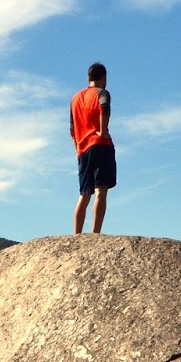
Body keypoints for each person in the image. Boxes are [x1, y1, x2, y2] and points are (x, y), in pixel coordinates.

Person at [70, 61, 115, 234]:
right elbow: (105, 107)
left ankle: (77, 235)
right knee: (100, 191)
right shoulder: (102, 93)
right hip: (100, 145)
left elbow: (72, 129)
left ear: (88, 78)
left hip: (83, 149)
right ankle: (96, 233)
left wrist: (78, 149)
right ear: (104, 77)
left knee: (84, 194)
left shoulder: (75, 98)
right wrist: (103, 132)